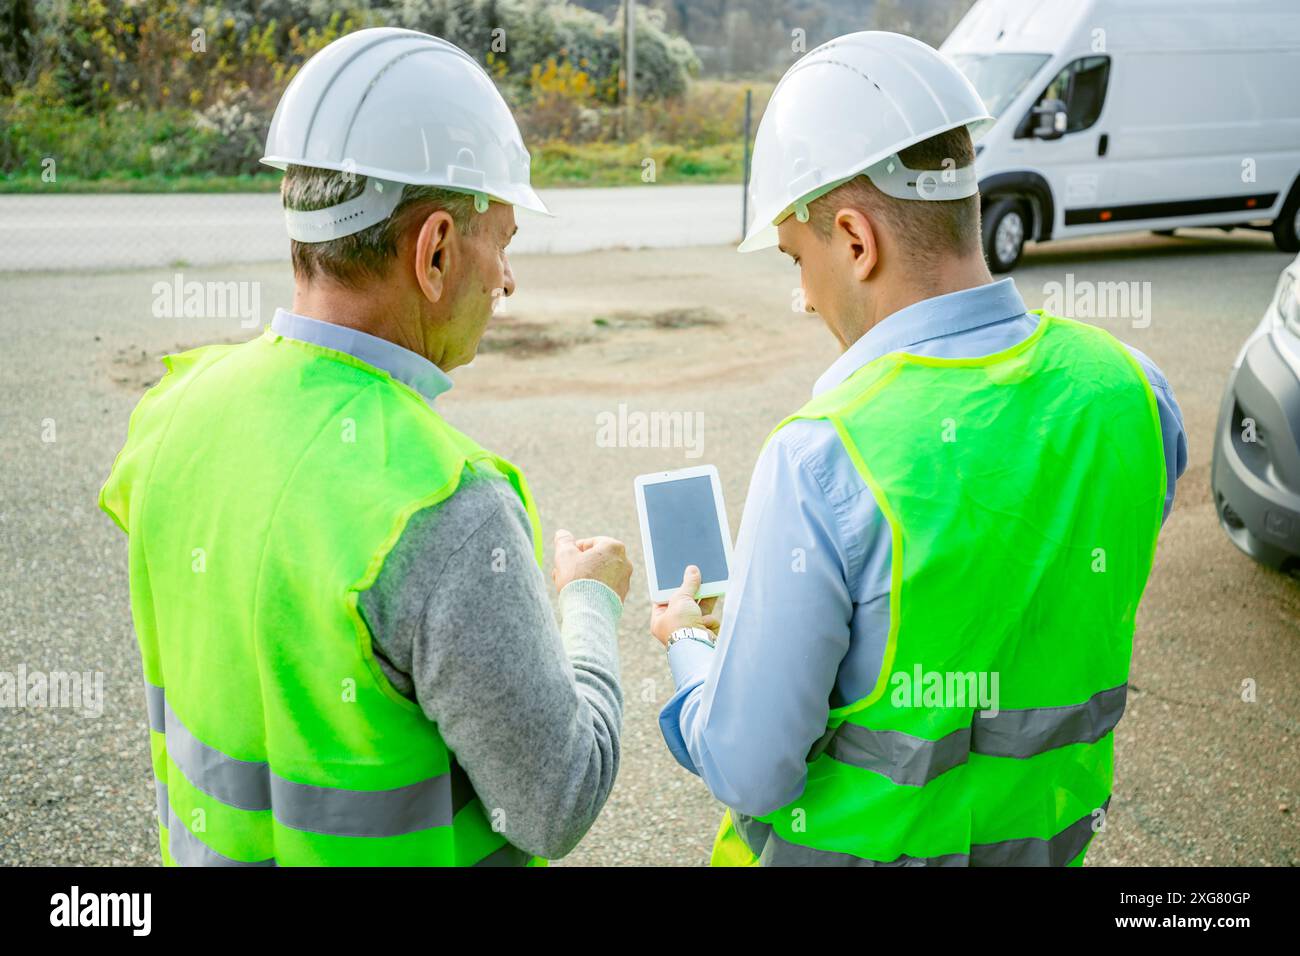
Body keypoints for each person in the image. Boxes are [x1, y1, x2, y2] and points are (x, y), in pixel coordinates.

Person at [648, 31, 1188, 866]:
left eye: (798, 257)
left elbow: (751, 769)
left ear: (857, 242)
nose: (800, 297)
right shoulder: (1135, 391)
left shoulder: (823, 458)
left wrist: (691, 644)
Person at [99, 28, 631, 867]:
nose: (506, 281)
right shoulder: (445, 507)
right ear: (436, 251)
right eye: (505, 242)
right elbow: (554, 800)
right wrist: (591, 605)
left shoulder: (171, 417)